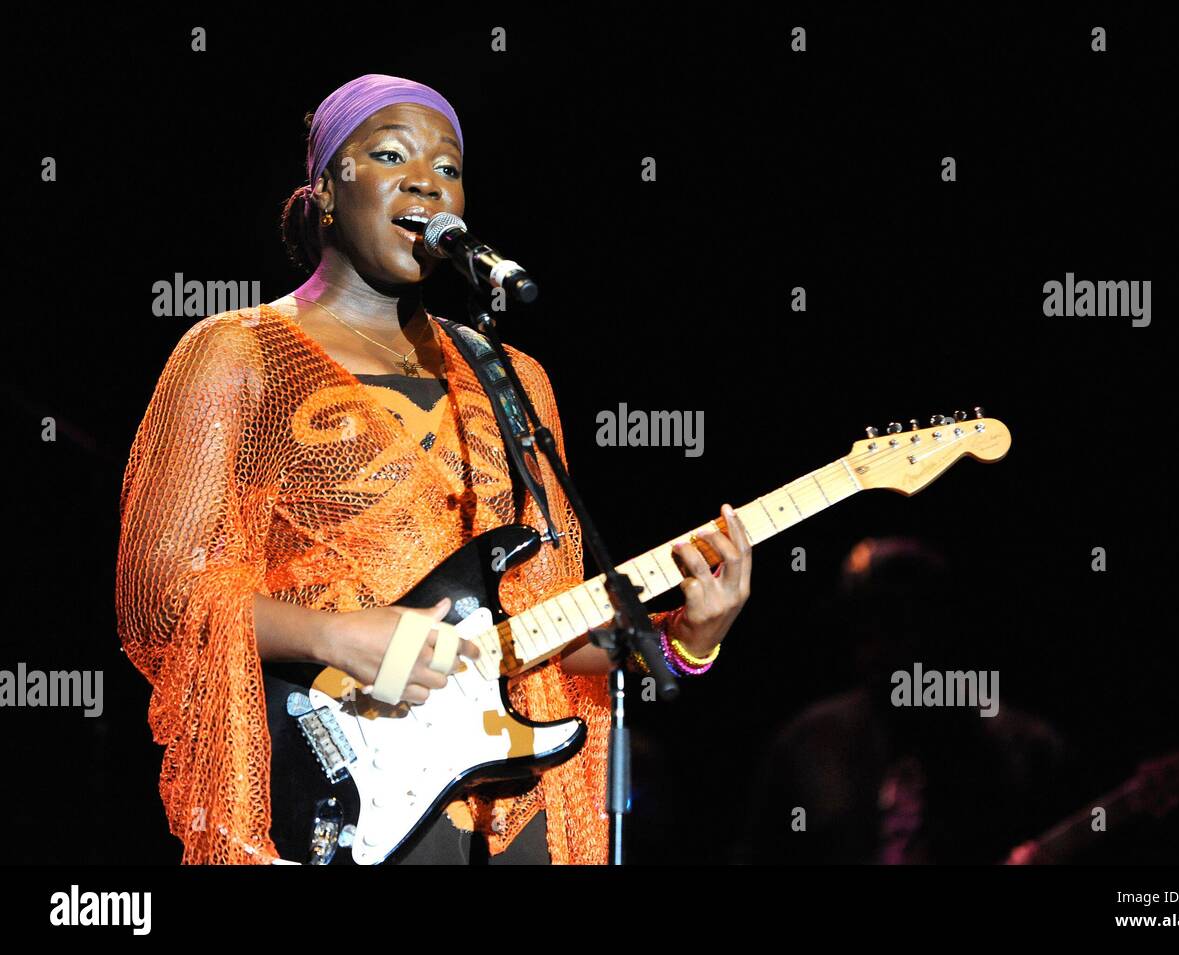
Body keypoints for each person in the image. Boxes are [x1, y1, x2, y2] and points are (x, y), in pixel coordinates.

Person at [115, 74, 752, 865]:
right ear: (323, 189)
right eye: (389, 155)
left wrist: (688, 635)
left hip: (518, 805)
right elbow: (162, 597)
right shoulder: (238, 352)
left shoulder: (512, 376)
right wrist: (338, 635)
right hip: (344, 790)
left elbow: (537, 621)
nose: (427, 180)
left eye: (447, 168)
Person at [737, 537, 1074, 864]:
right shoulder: (808, 744)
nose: (878, 649)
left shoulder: (1025, 748)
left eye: (900, 624)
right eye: (865, 627)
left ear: (945, 628)